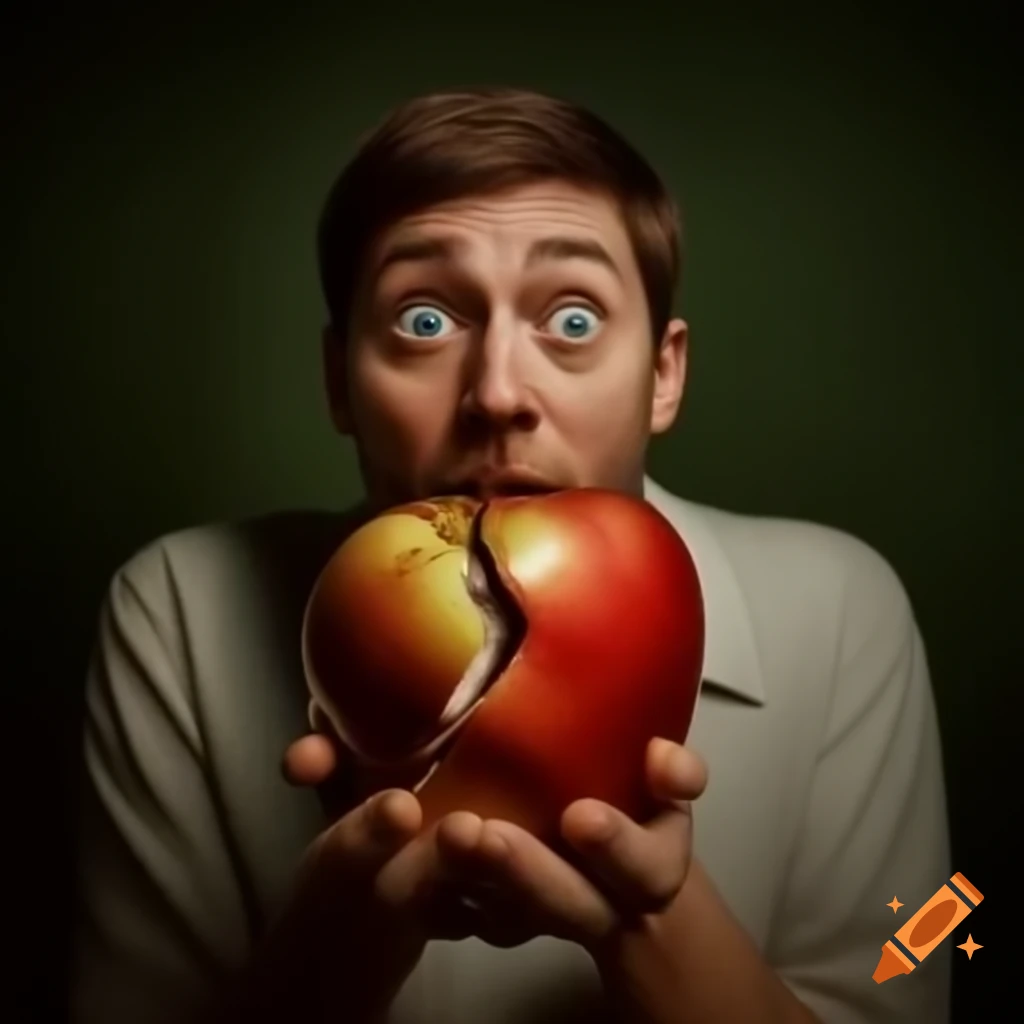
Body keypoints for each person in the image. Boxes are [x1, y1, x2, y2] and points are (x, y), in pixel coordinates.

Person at [69, 87, 951, 1024]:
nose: (496, 393)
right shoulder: (179, 609)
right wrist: (329, 953)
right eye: (424, 320)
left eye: (571, 320)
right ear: (338, 381)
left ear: (664, 373)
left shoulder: (847, 606)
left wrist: (653, 920)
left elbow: (924, 950)